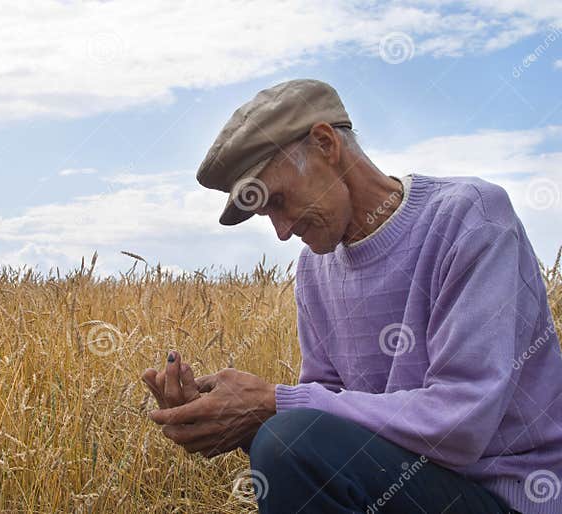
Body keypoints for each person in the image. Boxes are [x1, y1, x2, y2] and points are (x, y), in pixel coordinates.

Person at [141, 79, 562, 514]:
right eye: (266, 215)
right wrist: (232, 421)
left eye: (279, 201)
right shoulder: (314, 268)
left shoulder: (470, 218)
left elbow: (460, 427)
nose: (283, 232)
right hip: (408, 486)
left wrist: (275, 403)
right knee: (287, 442)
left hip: (507, 497)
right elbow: (322, 433)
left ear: (325, 144)